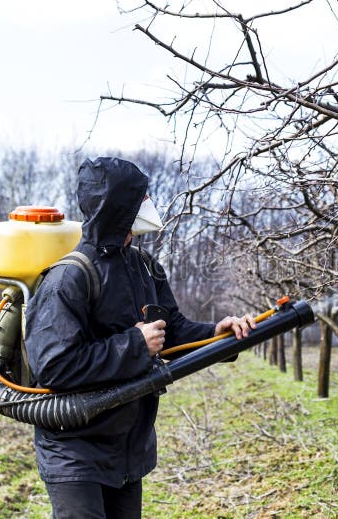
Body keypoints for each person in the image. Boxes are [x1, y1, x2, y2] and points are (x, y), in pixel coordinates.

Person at [25, 157, 256, 518]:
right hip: (75, 452)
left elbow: (172, 331)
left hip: (127, 447)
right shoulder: (68, 278)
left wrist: (216, 334)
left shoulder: (145, 265)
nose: (148, 204)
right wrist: (134, 345)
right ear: (118, 206)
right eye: (140, 197)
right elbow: (54, 367)